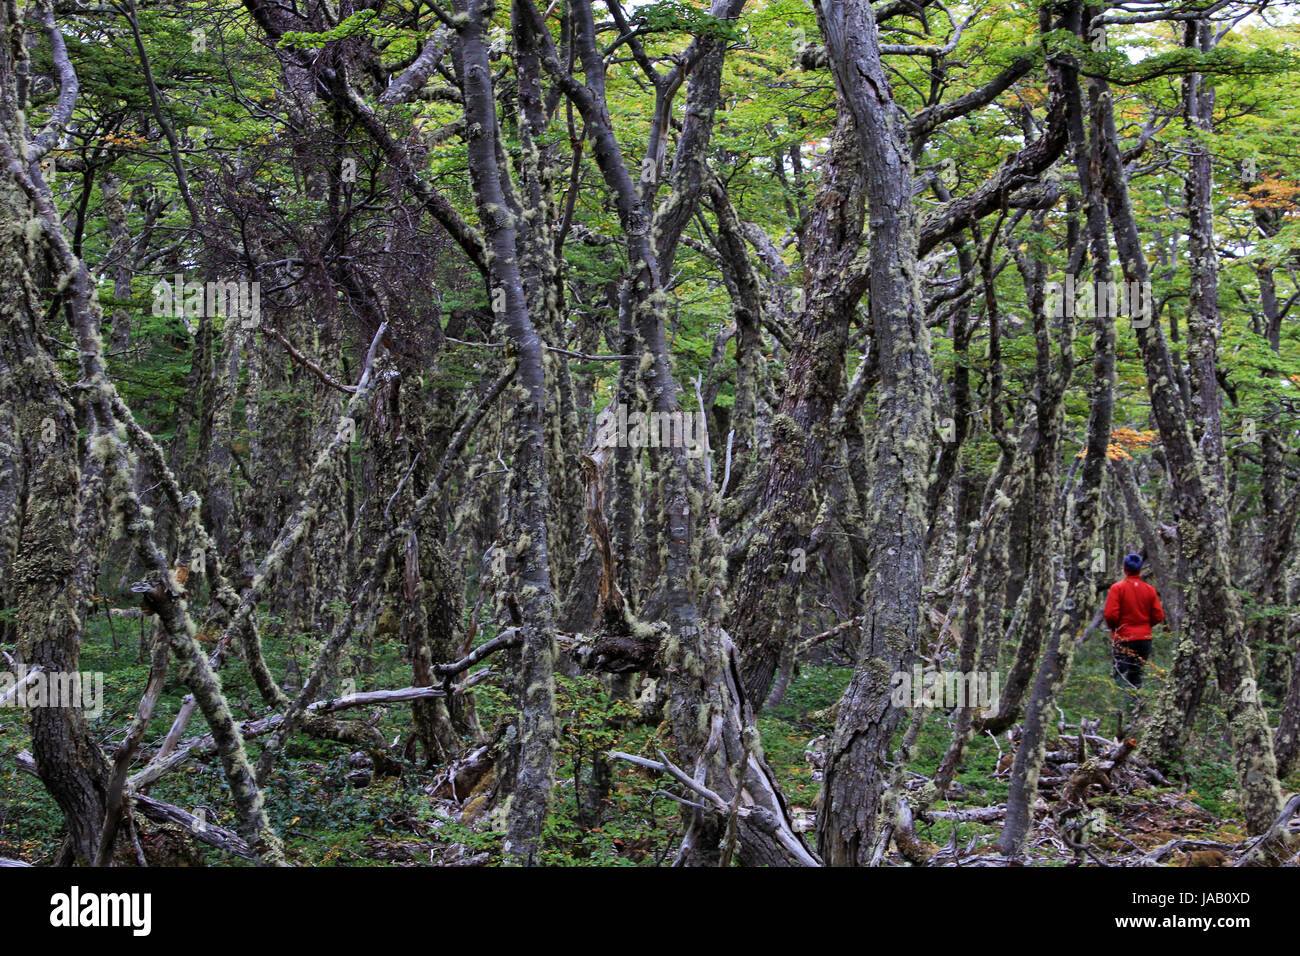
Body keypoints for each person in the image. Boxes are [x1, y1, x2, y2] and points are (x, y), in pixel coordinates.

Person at [1103, 553, 1165, 688]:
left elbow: (1110, 615)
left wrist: (1115, 628)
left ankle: (1121, 705)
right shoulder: (1149, 590)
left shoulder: (1117, 588)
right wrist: (1145, 626)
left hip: (1123, 638)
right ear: (1140, 570)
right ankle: (1135, 705)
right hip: (1144, 639)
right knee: (1136, 675)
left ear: (1125, 569)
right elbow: (1159, 615)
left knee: (1120, 674)